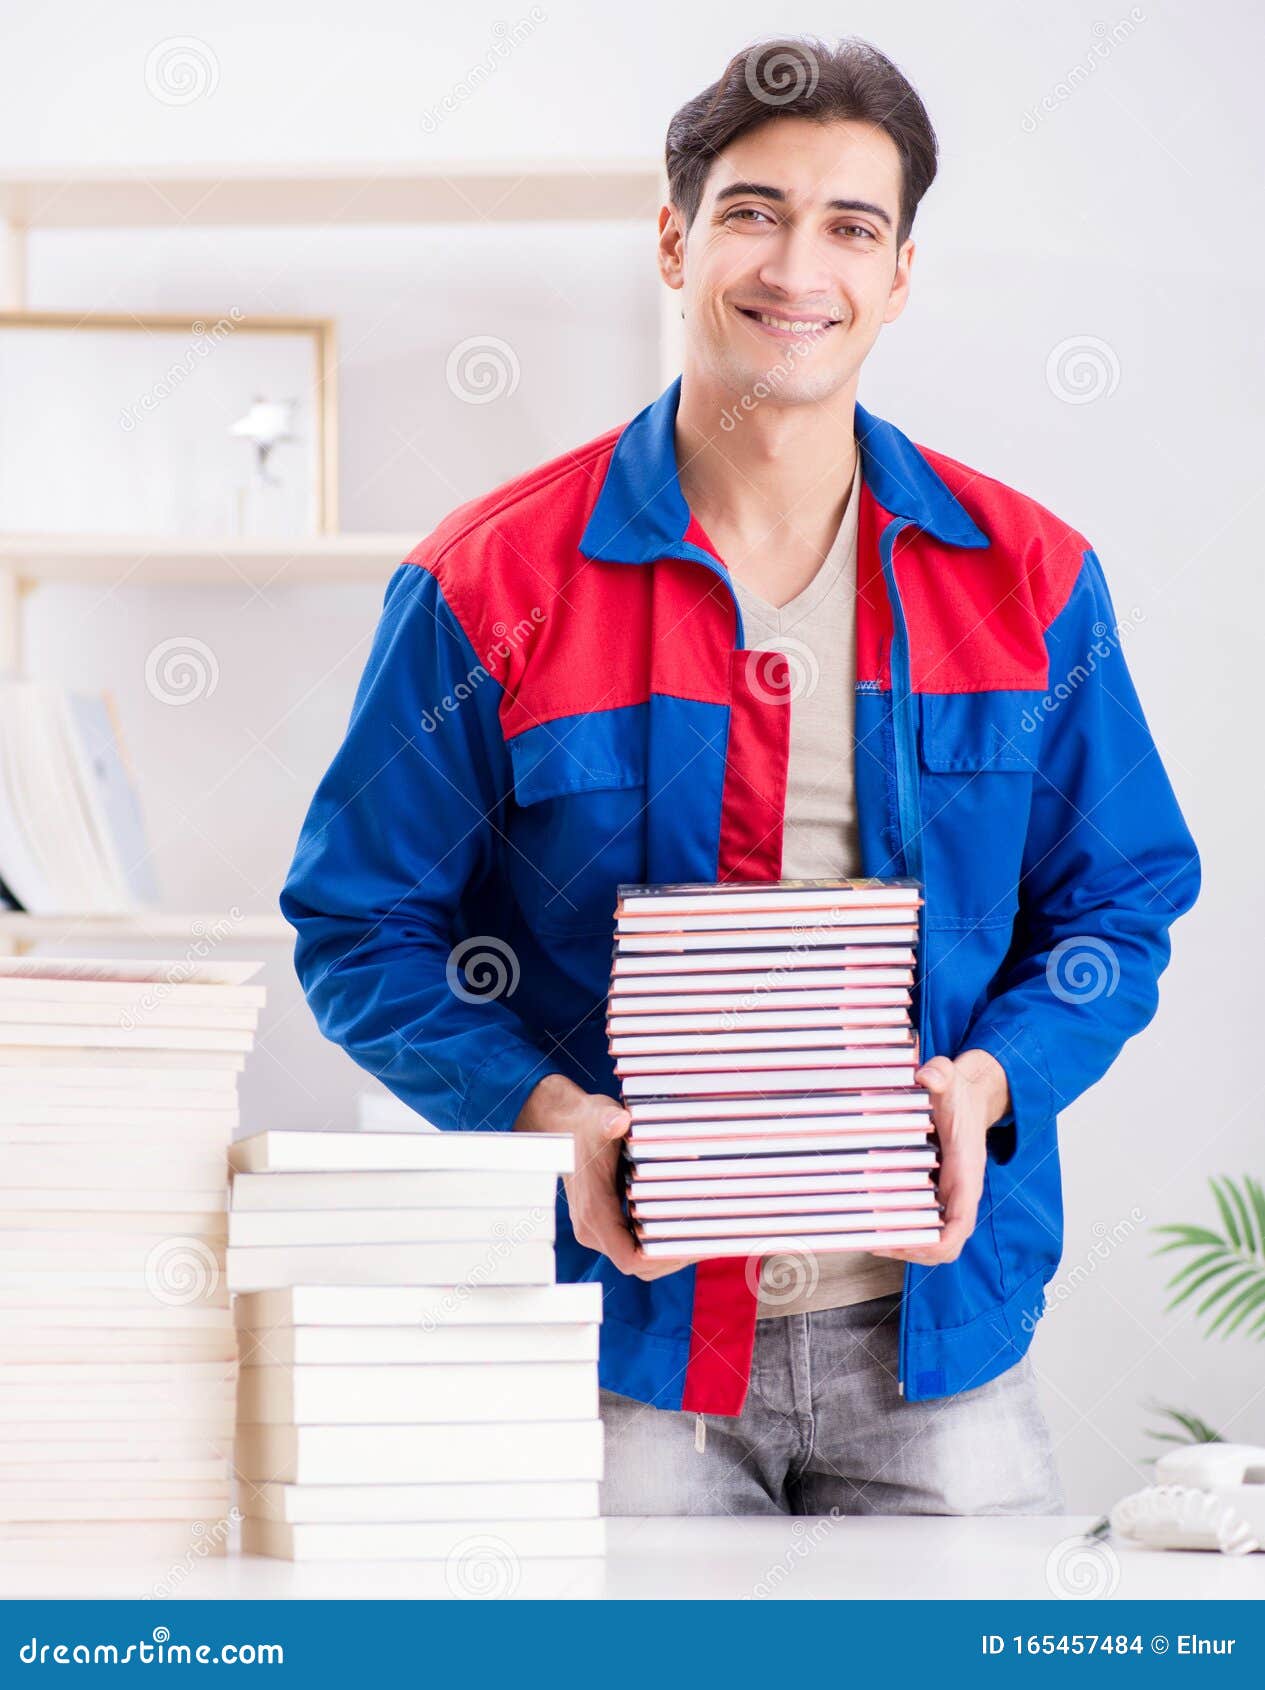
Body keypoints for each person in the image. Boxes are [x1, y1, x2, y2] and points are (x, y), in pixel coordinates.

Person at [280, 35, 1199, 1517]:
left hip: (935, 1346)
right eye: (753, 211)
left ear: (898, 275)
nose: (797, 266)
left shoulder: (1026, 580)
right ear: (674, 238)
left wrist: (996, 1079)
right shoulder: (490, 583)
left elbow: (1120, 901)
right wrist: (542, 1110)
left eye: (850, 226)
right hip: (623, 1357)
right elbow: (357, 921)